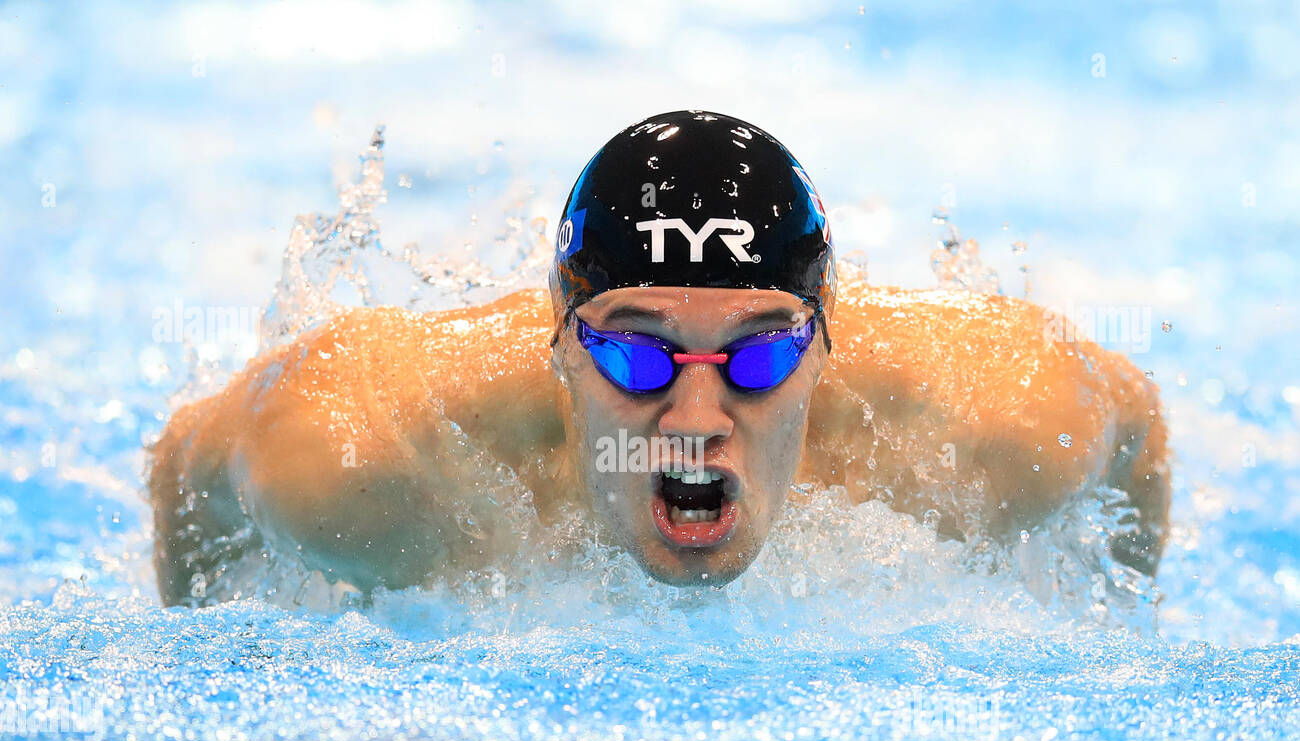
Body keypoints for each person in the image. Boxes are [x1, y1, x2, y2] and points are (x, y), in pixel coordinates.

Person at [149, 109, 1169, 606]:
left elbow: (1136, 422)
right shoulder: (361, 457)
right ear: (557, 336)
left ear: (826, 337)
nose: (693, 420)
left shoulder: (997, 421)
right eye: (636, 357)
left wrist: (1110, 620)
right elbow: (185, 461)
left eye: (758, 360)